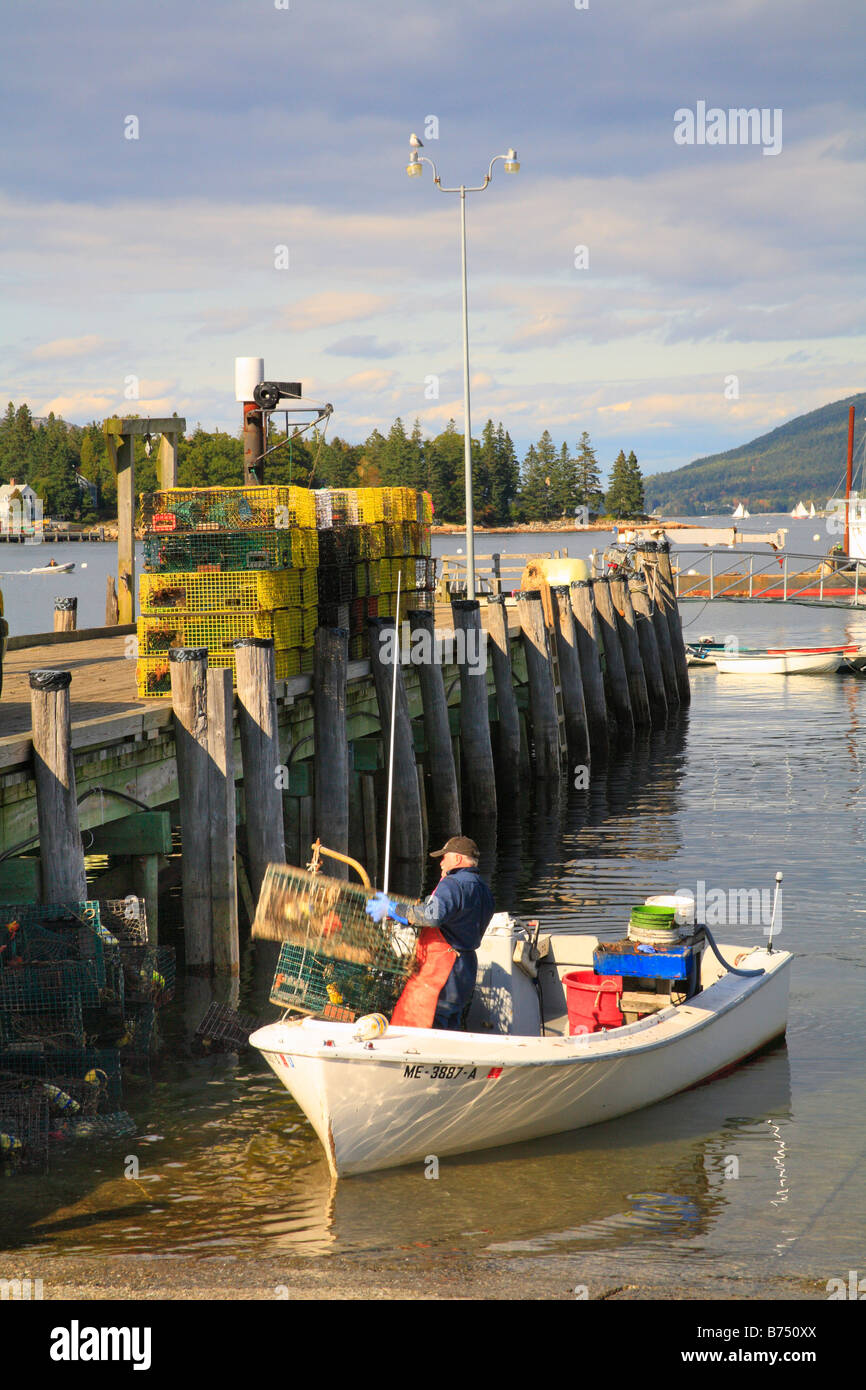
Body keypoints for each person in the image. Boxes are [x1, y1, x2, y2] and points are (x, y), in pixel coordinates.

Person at [366, 836, 494, 1030]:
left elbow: (432, 916)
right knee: (451, 1023)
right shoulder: (484, 889)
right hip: (466, 966)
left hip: (443, 968)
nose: (441, 862)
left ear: (458, 859)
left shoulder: (452, 883)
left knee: (427, 1023)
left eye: (444, 857)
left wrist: (395, 910)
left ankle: (418, 1061)